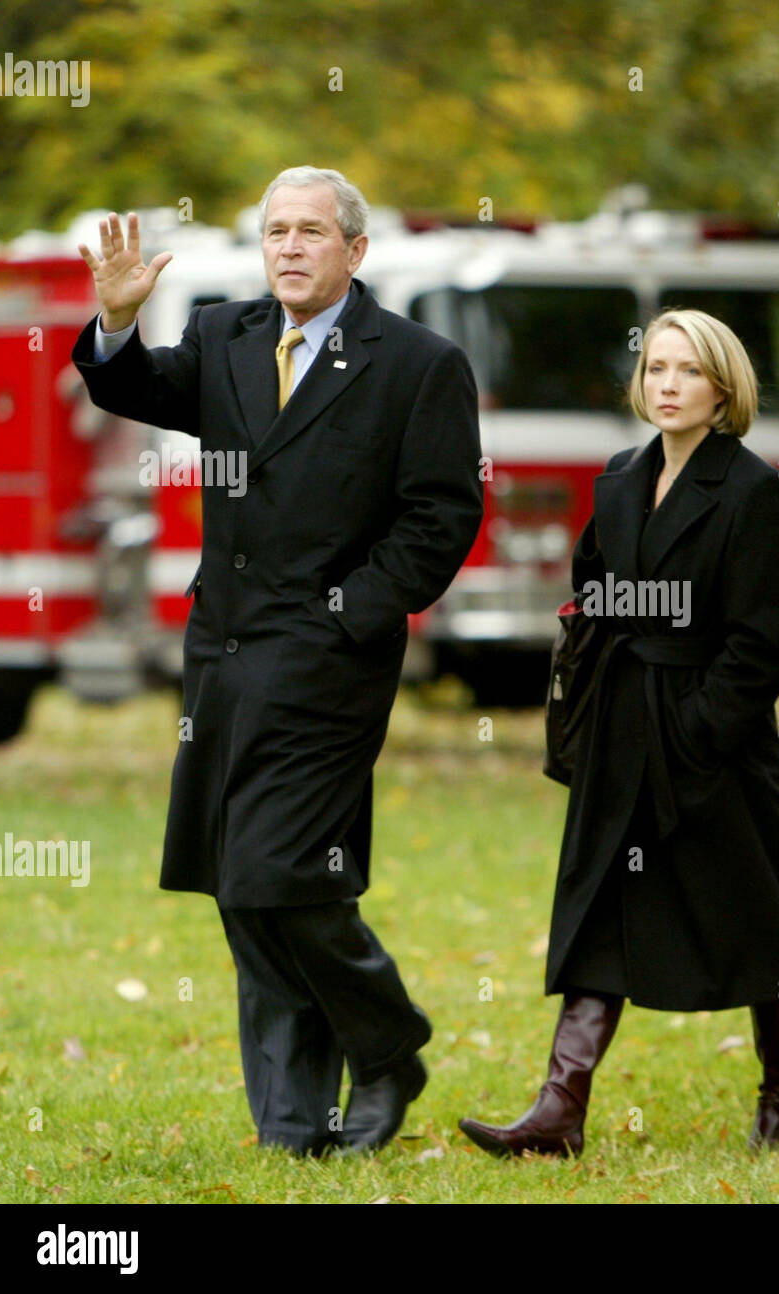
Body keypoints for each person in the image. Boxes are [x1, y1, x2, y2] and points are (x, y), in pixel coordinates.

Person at [71, 167, 484, 1155]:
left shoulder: (420, 363)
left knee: (279, 868)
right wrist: (118, 323)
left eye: (310, 232)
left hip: (331, 662)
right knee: (245, 879)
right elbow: (136, 387)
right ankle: (294, 1122)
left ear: (355, 249)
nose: (290, 248)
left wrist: (354, 610)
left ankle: (389, 1046)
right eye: (275, 232)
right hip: (223, 651)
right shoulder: (224, 336)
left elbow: (443, 514)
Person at [458, 309, 779, 1157]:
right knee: (598, 911)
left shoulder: (755, 489)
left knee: (758, 918)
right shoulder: (619, 477)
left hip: (716, 742)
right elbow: (591, 590)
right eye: (656, 368)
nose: (667, 384)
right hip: (622, 728)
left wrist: (698, 727)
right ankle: (558, 1111)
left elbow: (763, 641)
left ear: (722, 388)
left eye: (687, 371)